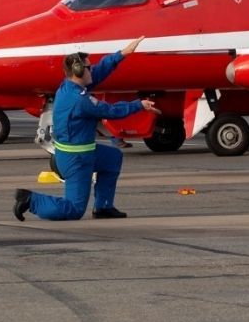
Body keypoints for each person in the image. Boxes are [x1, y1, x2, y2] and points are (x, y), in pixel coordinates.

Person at [14, 37, 158, 221]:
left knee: (113, 158)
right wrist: (139, 105)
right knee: (73, 209)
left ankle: (103, 207)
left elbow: (98, 73)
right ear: (79, 71)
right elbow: (110, 111)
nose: (92, 70)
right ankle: (30, 200)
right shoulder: (80, 100)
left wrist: (121, 55)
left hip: (80, 153)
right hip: (77, 159)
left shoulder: (68, 86)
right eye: (88, 67)